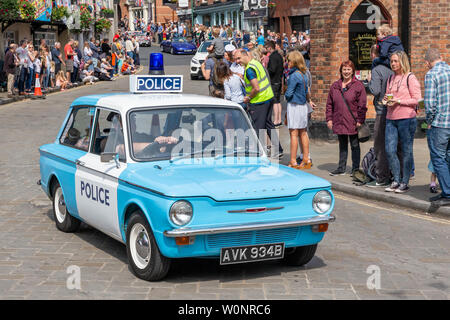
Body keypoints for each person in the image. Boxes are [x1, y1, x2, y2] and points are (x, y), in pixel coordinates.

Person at [382, 51, 421, 193]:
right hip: (391, 119)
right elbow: (388, 95)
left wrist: (399, 101)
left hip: (406, 119)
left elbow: (417, 100)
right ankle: (396, 180)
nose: (393, 64)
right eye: (391, 61)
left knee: (406, 151)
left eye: (396, 61)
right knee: (390, 150)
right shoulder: (391, 78)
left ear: (402, 61)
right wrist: (386, 100)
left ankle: (405, 181)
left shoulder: (410, 77)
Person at [236, 49, 283, 158]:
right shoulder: (256, 63)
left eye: (239, 58)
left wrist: (248, 97)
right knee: (269, 125)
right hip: (268, 97)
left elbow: (256, 88)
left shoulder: (250, 69)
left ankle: (260, 153)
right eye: (236, 59)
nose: (237, 61)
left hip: (259, 101)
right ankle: (278, 149)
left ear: (245, 55)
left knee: (258, 128)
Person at [326, 60, 367, 176]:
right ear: (341, 71)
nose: (346, 72)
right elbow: (329, 104)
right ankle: (341, 168)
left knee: (355, 145)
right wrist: (329, 119)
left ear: (353, 71)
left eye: (349, 69)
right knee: (342, 145)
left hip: (353, 121)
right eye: (344, 69)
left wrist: (360, 120)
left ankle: (355, 169)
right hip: (339, 120)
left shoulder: (358, 86)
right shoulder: (335, 86)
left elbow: (362, 105)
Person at [424, 48, 450, 206]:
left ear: (427, 63)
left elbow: (430, 103)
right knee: (448, 156)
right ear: (441, 57)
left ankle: (447, 193)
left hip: (440, 123)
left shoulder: (431, 74)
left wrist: (429, 121)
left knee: (438, 158)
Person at [366, 44, 395, 187]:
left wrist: (369, 80)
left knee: (379, 146)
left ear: (373, 55)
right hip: (392, 112)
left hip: (381, 111)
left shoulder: (376, 70)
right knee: (393, 145)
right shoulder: (391, 69)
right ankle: (395, 174)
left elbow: (375, 90)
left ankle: (381, 177)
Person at [285, 50, 314, 169]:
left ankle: (293, 161)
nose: (287, 62)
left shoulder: (293, 75)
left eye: (289, 60)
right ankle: (306, 159)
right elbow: (307, 92)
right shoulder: (304, 74)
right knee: (303, 133)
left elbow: (288, 94)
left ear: (294, 61)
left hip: (294, 106)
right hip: (303, 106)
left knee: (293, 134)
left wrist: (286, 93)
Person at [265, 40, 284, 127]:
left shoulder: (272, 57)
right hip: (279, 80)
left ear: (270, 48)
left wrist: (265, 71)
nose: (266, 49)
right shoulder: (279, 55)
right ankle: (279, 119)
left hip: (274, 81)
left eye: (266, 48)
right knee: (278, 101)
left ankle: (276, 120)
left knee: (275, 102)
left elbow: (272, 69)